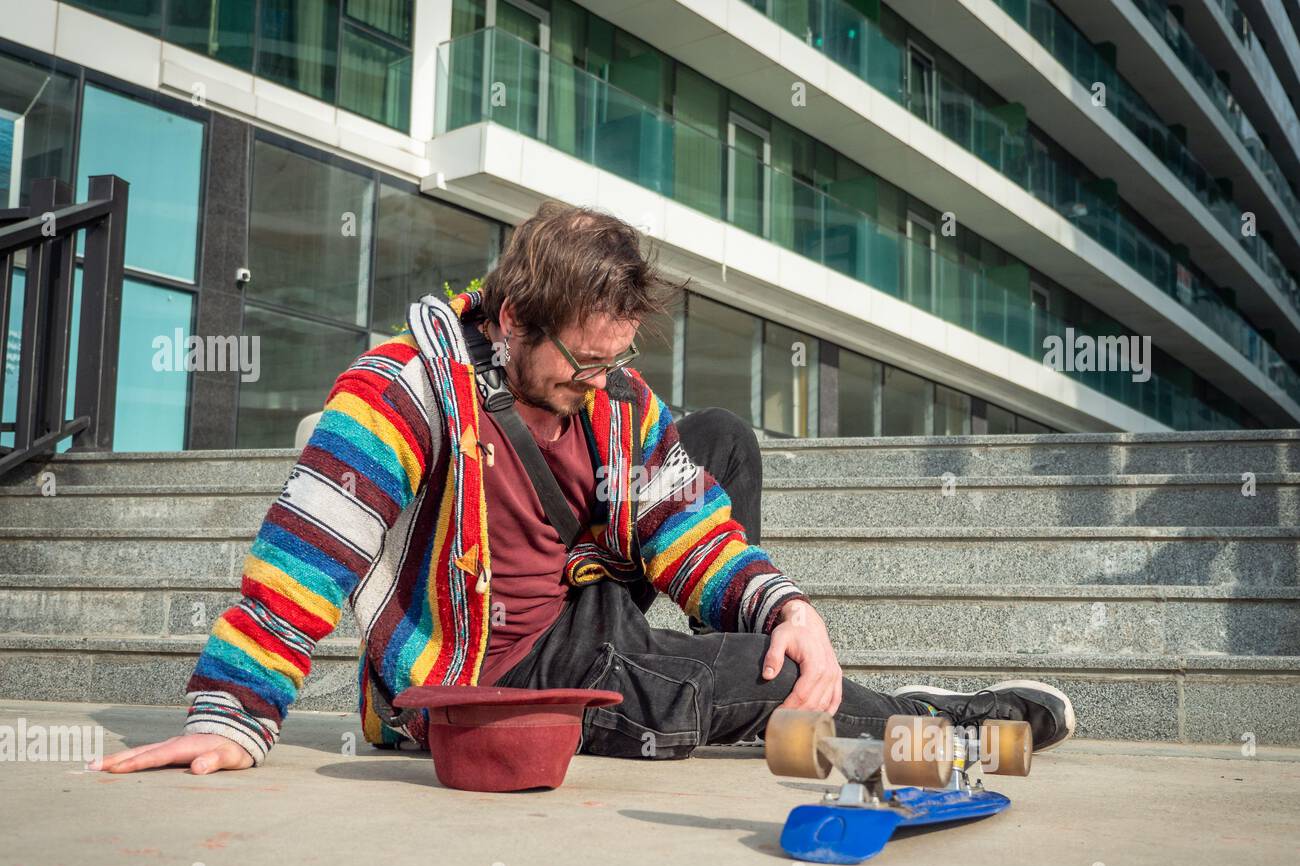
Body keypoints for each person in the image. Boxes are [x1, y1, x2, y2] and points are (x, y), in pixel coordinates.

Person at [94, 201, 1073, 777]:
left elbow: (687, 517)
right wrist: (230, 712)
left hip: (585, 601)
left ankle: (710, 666)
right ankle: (926, 721)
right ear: (513, 319)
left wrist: (785, 601)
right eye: (580, 362)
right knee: (760, 683)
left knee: (719, 439)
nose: (599, 383)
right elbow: (309, 547)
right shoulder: (406, 390)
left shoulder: (611, 400)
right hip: (491, 674)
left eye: (616, 360)